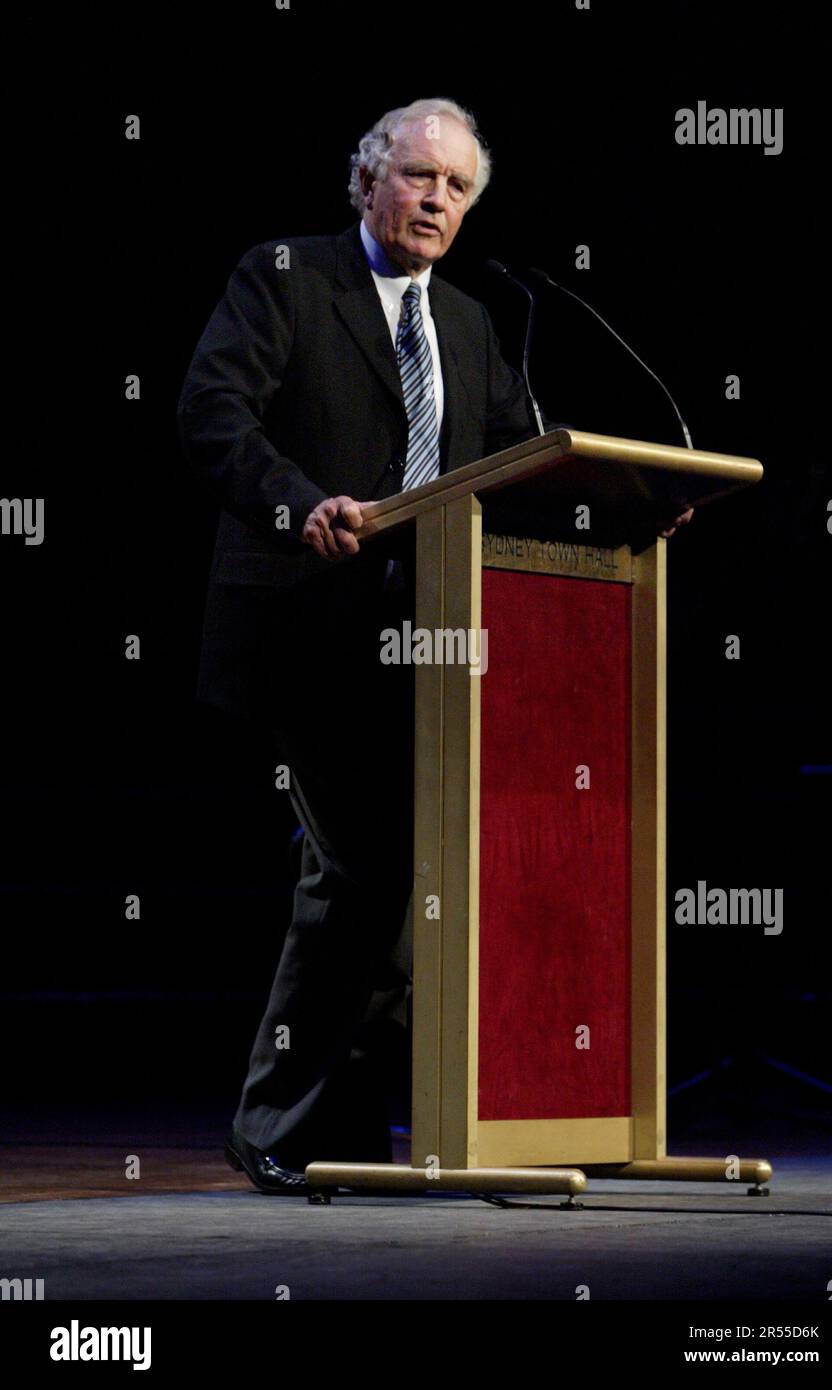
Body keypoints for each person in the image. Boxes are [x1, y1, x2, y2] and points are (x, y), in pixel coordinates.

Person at [177, 96, 692, 1196]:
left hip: (439, 642)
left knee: (421, 880)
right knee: (363, 864)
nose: (437, 202)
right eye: (418, 178)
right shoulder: (283, 275)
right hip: (306, 630)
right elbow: (212, 412)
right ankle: (278, 1120)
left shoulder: (468, 320)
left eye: (457, 189)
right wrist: (298, 504)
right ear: (365, 179)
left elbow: (516, 464)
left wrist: (625, 508)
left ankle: (365, 1128)